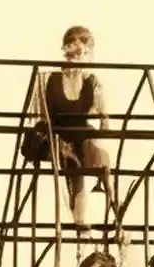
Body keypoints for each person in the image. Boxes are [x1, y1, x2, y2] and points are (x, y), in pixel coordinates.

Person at [22, 25, 118, 240]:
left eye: (83, 51)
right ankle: (80, 223)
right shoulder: (49, 79)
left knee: (99, 159)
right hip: (56, 131)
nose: (77, 56)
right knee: (71, 165)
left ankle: (115, 211)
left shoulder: (92, 81)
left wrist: (100, 142)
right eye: (73, 50)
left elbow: (104, 119)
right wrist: (52, 136)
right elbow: (40, 116)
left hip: (82, 132)